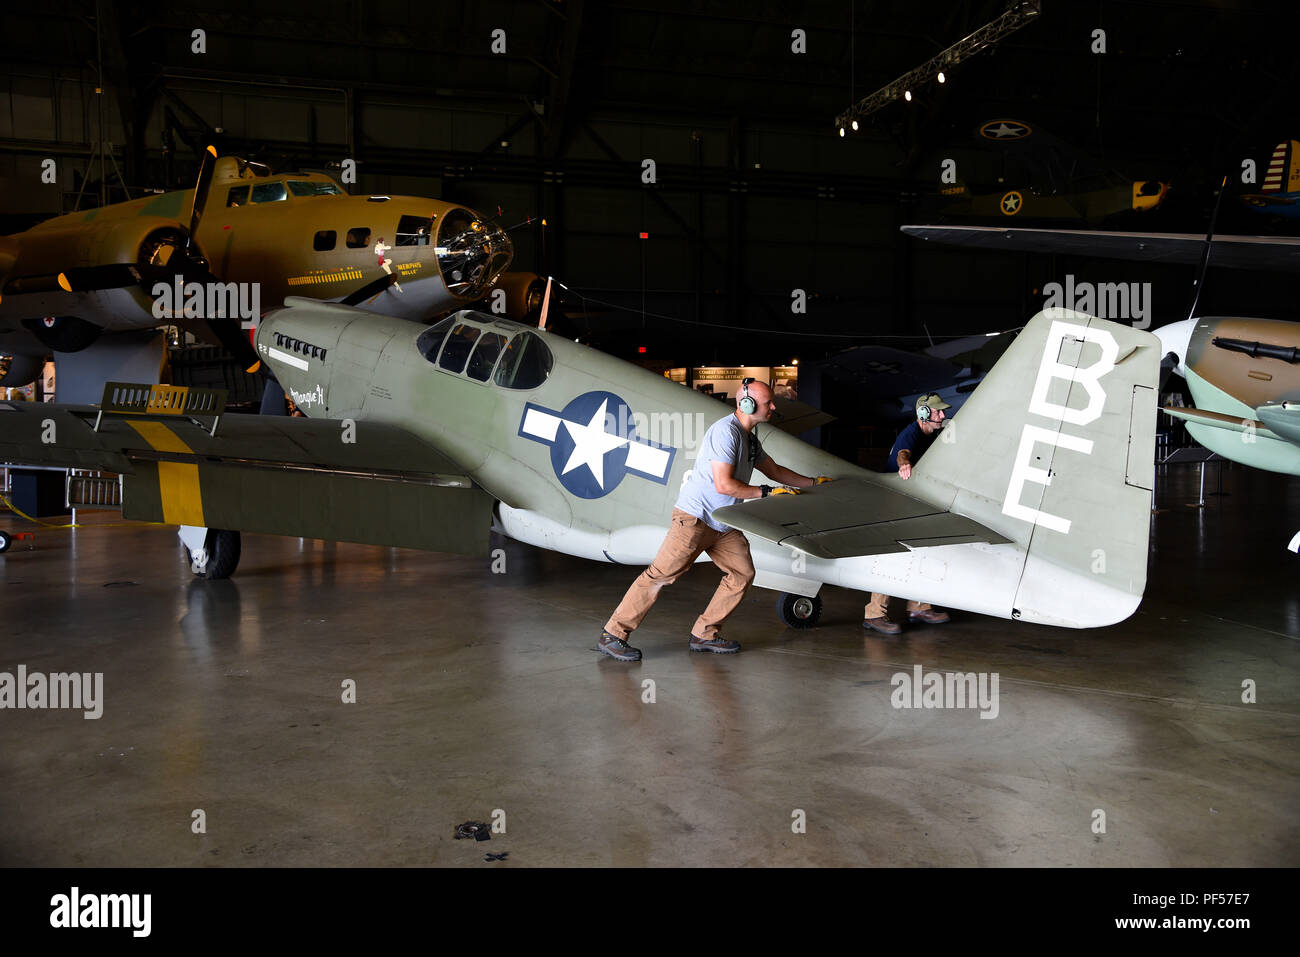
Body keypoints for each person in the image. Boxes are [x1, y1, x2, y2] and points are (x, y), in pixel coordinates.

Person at [598, 378, 830, 661]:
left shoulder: (750, 439)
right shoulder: (726, 433)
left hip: (723, 523)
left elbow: (775, 471)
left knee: (742, 573)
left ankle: (704, 634)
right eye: (768, 402)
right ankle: (614, 633)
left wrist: (814, 483)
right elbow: (724, 485)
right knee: (660, 576)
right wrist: (767, 493)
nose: (773, 407)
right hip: (694, 519)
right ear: (747, 404)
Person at [863, 392, 953, 636]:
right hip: (893, 505)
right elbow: (904, 452)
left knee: (923, 553)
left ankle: (919, 607)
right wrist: (904, 464)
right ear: (923, 414)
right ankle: (874, 614)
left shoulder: (930, 436)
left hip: (912, 504)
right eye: (937, 412)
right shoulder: (911, 434)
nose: (942, 415)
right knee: (892, 559)